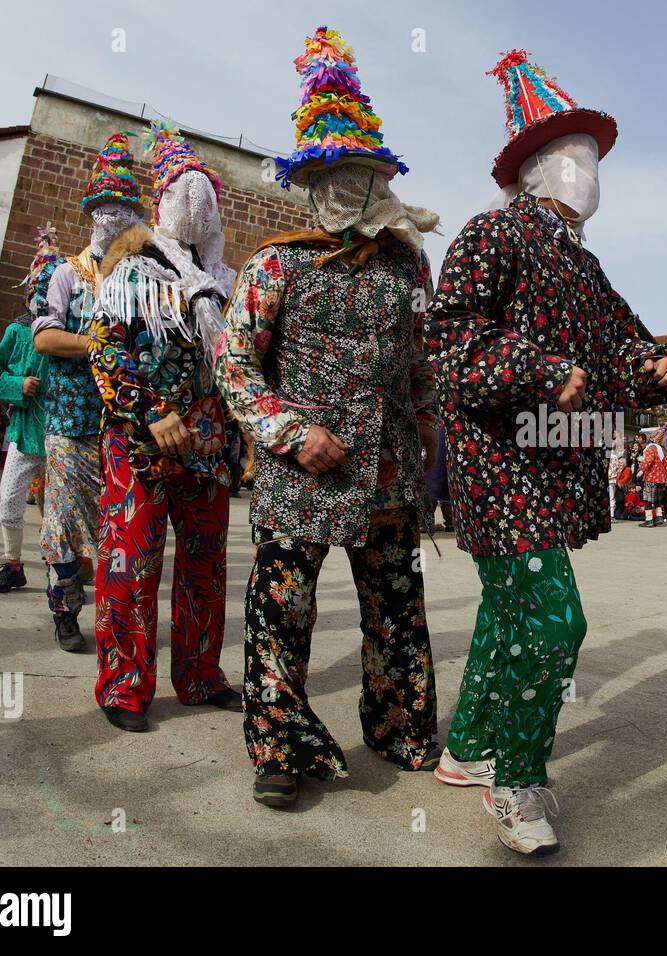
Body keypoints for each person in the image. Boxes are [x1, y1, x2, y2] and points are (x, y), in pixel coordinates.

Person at [424, 48, 667, 855]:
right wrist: (541, 371)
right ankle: (519, 780)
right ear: (534, 170)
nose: (589, 171)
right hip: (499, 461)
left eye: (595, 159)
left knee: (509, 613)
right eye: (575, 156)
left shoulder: (585, 264)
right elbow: (452, 337)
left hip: (556, 459)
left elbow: (622, 348)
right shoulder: (491, 234)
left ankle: (468, 749)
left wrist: (656, 370)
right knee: (552, 623)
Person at [216, 27, 442, 803]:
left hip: (387, 475)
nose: (358, 187)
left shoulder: (409, 261)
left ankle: (400, 725)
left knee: (397, 609)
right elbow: (233, 362)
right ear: (315, 178)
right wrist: (288, 431)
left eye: (367, 173)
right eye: (343, 173)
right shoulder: (277, 261)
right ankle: (281, 749)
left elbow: (420, 365)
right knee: (283, 612)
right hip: (302, 474)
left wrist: (429, 445)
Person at [88, 121, 243, 733]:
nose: (196, 204)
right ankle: (124, 686)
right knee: (130, 565)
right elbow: (106, 348)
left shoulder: (224, 286)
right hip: (141, 446)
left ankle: (201, 675)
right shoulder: (135, 270)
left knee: (205, 568)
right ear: (163, 202)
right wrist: (152, 412)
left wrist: (238, 437)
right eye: (184, 192)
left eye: (205, 194)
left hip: (208, 454)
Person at [36, 133, 143, 653]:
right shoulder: (65, 274)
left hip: (122, 425)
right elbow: (45, 336)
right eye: (105, 209)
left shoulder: (140, 278)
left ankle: (115, 618)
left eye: (123, 209)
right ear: (91, 214)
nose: (114, 218)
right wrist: (97, 344)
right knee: (61, 517)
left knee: (115, 532)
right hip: (70, 421)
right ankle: (64, 608)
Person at [0, 226, 56, 593]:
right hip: (24, 434)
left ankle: (59, 569)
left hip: (60, 436)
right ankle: (12, 563)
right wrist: (19, 386)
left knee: (57, 510)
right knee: (10, 498)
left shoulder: (66, 333)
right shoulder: (16, 333)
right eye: (39, 289)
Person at [639, 423, 667, 527]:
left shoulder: (651, 448)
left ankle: (649, 520)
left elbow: (648, 461)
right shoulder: (663, 450)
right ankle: (659, 517)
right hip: (661, 479)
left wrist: (641, 470)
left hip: (651, 477)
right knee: (657, 499)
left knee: (648, 499)